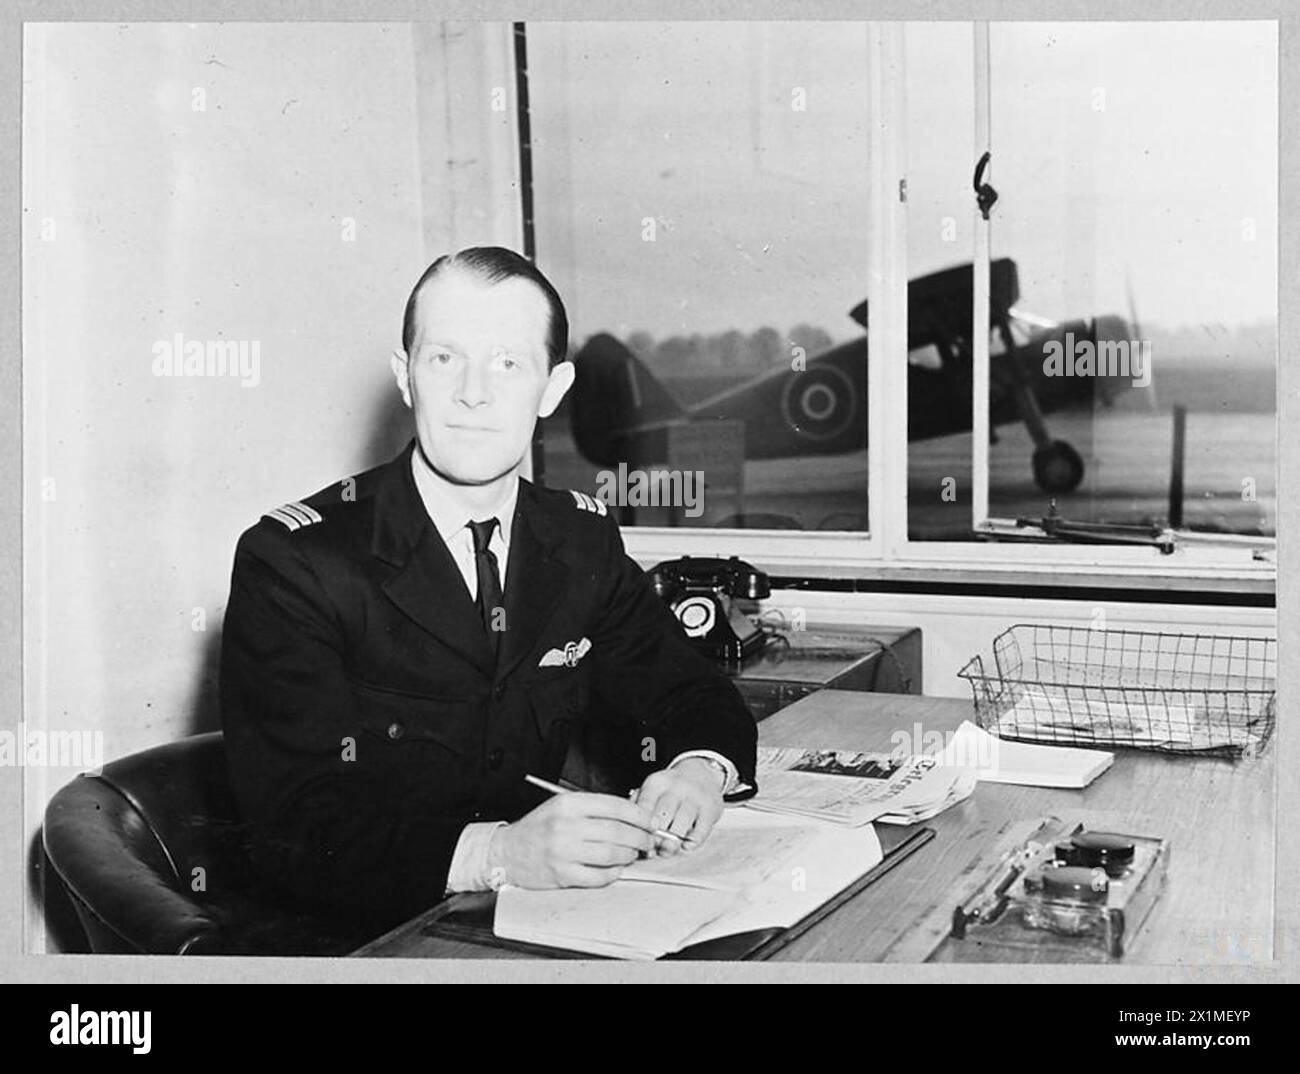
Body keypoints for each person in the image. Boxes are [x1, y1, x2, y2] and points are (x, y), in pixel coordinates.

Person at [220, 246, 757, 932]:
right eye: (445, 358)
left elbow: (686, 692)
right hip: (361, 939)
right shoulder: (298, 560)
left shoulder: (580, 540)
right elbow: (294, 827)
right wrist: (498, 854)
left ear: (554, 389)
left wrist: (698, 769)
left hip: (525, 923)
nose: (475, 391)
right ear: (406, 377)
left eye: (508, 363)